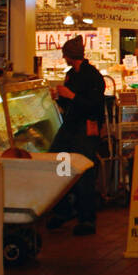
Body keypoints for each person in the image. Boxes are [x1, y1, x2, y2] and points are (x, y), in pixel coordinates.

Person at [47, 37, 106, 236]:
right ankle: (64, 208)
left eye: (65, 54)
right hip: (70, 129)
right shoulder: (71, 75)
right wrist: (60, 98)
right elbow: (68, 106)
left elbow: (96, 105)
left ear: (71, 56)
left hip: (85, 131)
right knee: (59, 164)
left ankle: (86, 218)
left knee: (83, 172)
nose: (64, 58)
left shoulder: (93, 76)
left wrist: (72, 96)